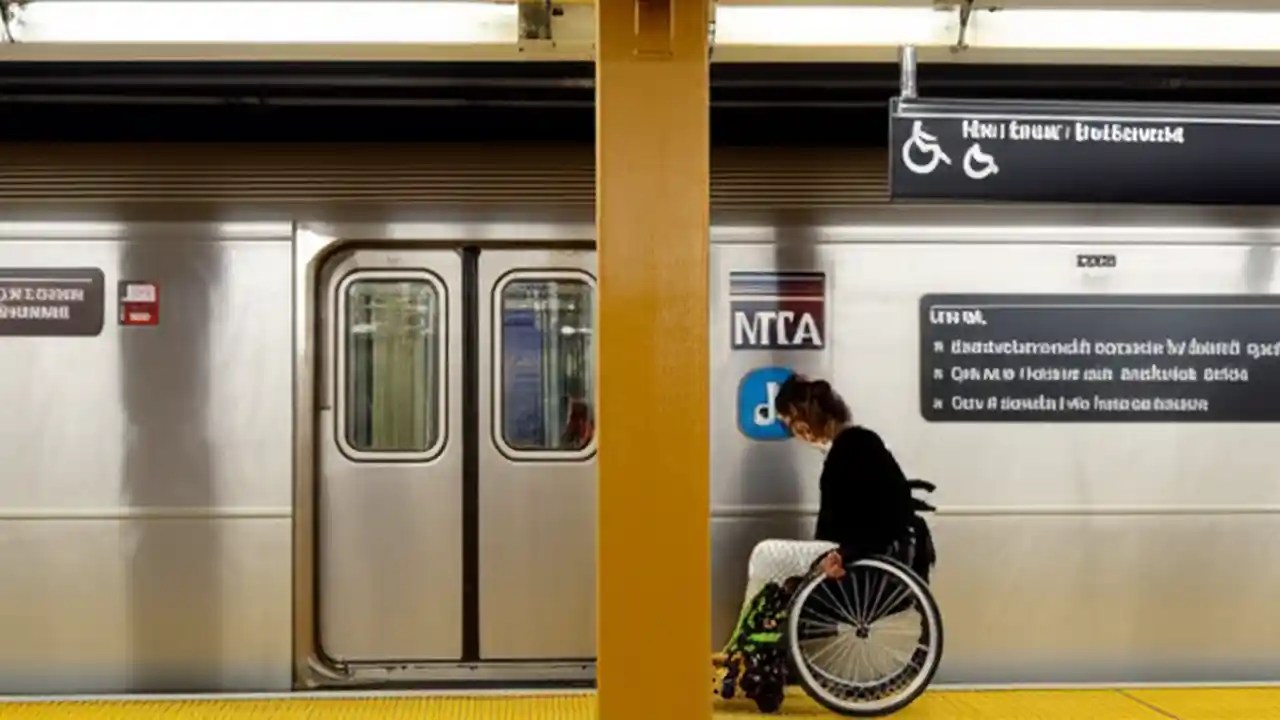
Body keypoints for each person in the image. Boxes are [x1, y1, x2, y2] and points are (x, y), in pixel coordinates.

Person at [713, 372, 936, 713]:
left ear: (808, 415)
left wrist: (844, 554)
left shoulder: (855, 447)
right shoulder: (851, 447)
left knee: (767, 554)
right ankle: (749, 646)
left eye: (793, 422)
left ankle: (741, 649)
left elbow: (885, 515)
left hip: (860, 554)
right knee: (777, 571)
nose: (795, 433)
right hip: (855, 549)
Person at [773, 372, 936, 583]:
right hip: (873, 563)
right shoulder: (862, 443)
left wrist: (836, 556)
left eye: (791, 424)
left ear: (803, 422)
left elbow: (841, 526)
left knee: (768, 558)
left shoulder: (846, 451)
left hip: (856, 571)